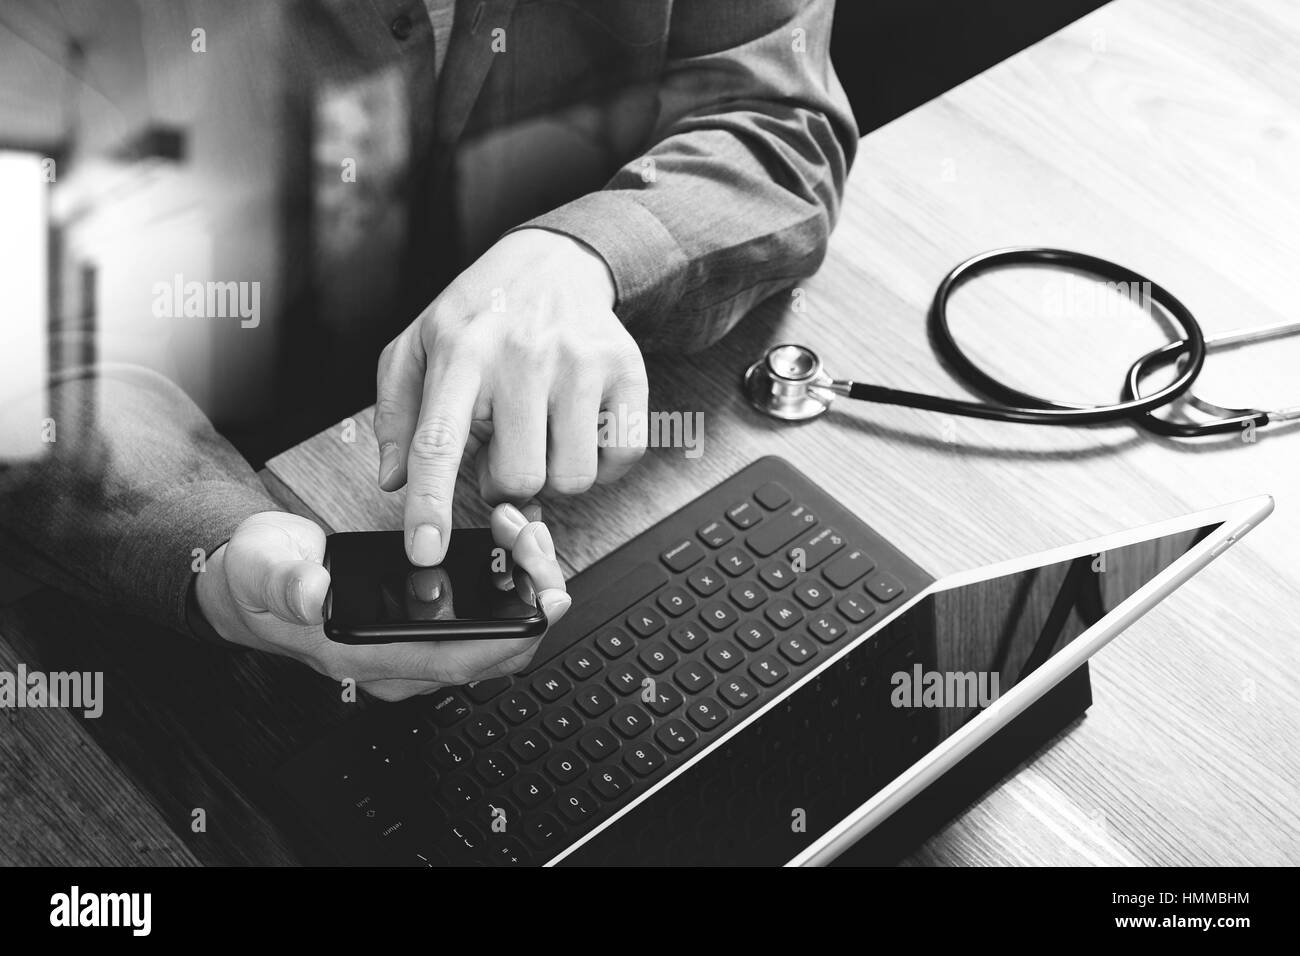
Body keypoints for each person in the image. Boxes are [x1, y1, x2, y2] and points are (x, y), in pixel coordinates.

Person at [0, 0, 856, 699]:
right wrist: (213, 552)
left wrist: (585, 253)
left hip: (596, 512)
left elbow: (775, 117)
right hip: (149, 622)